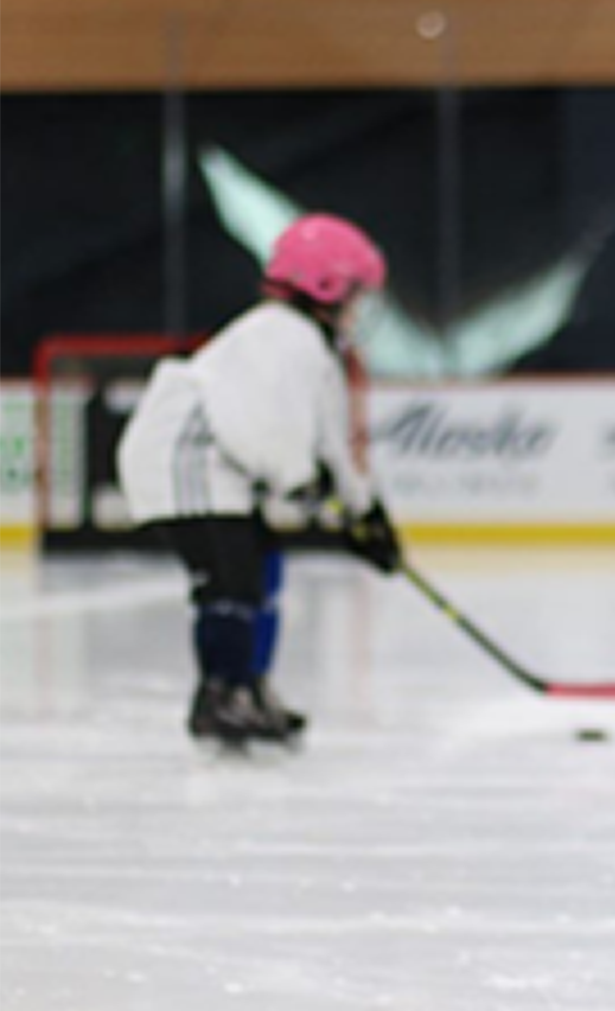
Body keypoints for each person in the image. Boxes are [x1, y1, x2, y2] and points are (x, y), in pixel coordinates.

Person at [116, 213, 404, 751]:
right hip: (185, 463)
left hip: (212, 468)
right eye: (357, 294)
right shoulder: (279, 337)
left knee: (262, 568)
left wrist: (365, 512)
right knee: (232, 581)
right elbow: (265, 431)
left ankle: (248, 686)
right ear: (326, 286)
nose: (361, 308)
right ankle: (222, 695)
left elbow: (328, 441)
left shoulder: (310, 346)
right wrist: (308, 488)